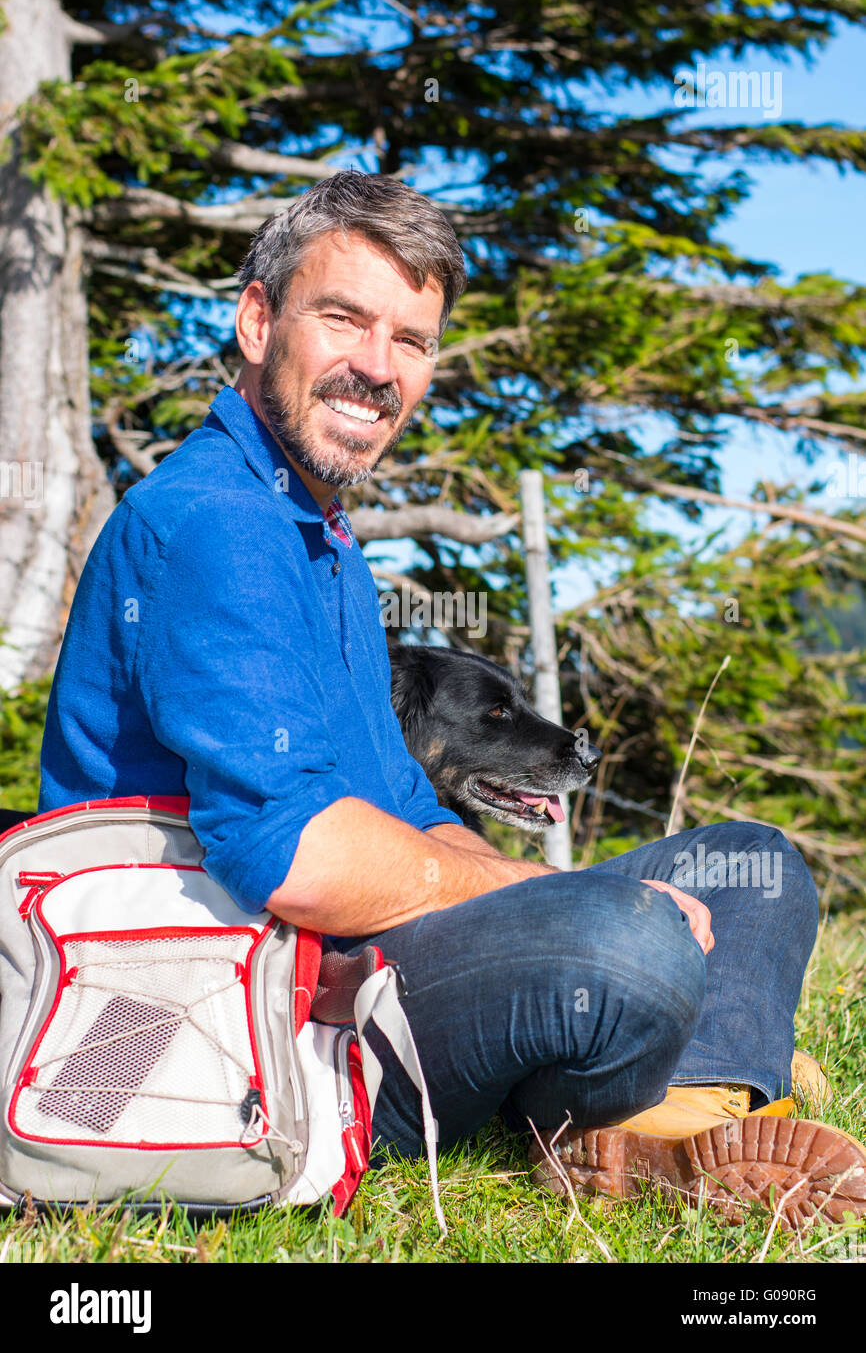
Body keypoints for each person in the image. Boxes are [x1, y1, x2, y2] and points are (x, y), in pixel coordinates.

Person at [38, 171, 865, 1227]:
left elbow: (411, 809)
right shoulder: (213, 524)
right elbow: (293, 857)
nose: (376, 369)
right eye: (343, 319)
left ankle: (664, 1125)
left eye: (412, 341)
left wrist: (524, 886)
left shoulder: (320, 538)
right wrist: (542, 900)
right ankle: (664, 1085)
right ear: (257, 320)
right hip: (260, 1013)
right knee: (628, 945)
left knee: (749, 864)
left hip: (352, 963)